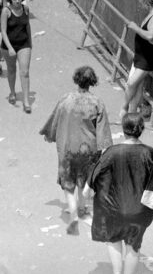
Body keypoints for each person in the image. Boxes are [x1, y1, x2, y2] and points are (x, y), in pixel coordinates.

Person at [40, 66, 113, 235]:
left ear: (76, 79)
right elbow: (103, 132)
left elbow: (55, 119)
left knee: (68, 181)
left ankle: (73, 213)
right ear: (92, 82)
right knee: (84, 181)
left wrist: (49, 134)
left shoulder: (65, 99)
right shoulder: (97, 102)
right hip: (89, 149)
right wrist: (104, 149)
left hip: (67, 148)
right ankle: (82, 210)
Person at [88, 113, 153, 274]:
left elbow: (94, 177)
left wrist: (88, 194)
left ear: (123, 129)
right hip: (139, 211)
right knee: (133, 246)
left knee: (113, 240)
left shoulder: (112, 152)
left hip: (113, 209)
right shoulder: (150, 154)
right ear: (141, 129)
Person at [120, 0, 153, 119]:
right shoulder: (151, 15)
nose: (140, 8)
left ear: (147, 4)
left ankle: (124, 109)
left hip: (148, 59)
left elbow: (150, 35)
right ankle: (132, 115)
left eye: (141, 5)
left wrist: (135, 27)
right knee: (138, 85)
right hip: (141, 56)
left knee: (131, 84)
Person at [0, 0, 33, 113]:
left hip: (24, 44)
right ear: (10, 0)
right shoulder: (6, 11)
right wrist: (9, 48)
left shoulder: (26, 9)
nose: (17, 1)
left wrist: (30, 42)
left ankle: (26, 100)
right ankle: (12, 92)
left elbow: (27, 25)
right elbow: (3, 31)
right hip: (9, 45)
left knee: (24, 72)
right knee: (12, 69)